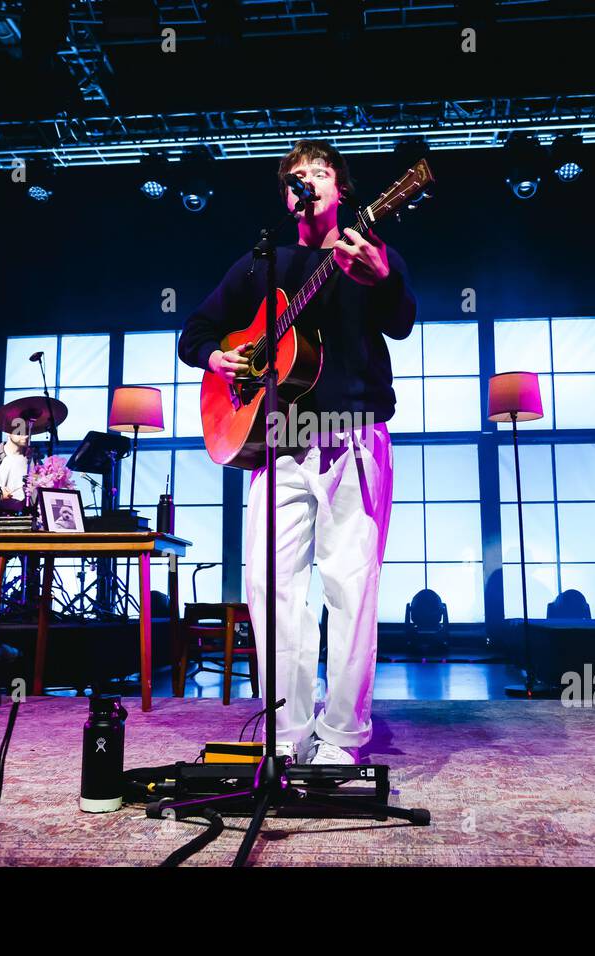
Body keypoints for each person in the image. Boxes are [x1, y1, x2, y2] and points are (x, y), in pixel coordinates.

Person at [178, 139, 416, 766]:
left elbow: (402, 320)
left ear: (341, 189)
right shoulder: (262, 262)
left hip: (352, 435)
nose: (303, 182)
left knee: (349, 589)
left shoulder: (369, 249)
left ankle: (341, 739)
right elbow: (194, 332)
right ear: (287, 197)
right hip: (275, 445)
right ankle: (286, 736)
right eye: (293, 177)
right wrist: (218, 358)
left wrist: (383, 277)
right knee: (270, 589)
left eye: (317, 173)